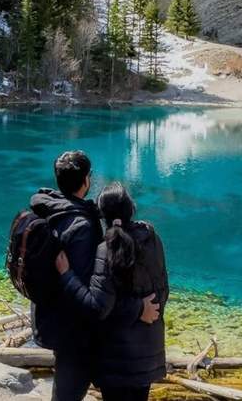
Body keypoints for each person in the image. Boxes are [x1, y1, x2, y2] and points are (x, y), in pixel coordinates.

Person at [30, 152, 160, 401]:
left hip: (49, 319)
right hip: (75, 333)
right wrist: (137, 309)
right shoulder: (83, 226)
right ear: (86, 180)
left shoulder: (47, 208)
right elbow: (95, 302)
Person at [55, 183, 169, 401]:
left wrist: (67, 276)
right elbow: (163, 290)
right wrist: (143, 310)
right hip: (148, 355)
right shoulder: (152, 237)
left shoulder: (105, 249)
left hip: (116, 361)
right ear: (131, 209)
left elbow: (98, 308)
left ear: (103, 215)